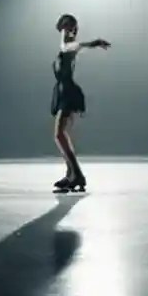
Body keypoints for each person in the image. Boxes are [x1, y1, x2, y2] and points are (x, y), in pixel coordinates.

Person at [51, 14, 110, 192]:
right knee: (62, 135)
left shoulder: (70, 47)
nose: (67, 31)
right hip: (63, 91)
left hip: (68, 92)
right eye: (65, 27)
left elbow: (71, 46)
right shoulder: (67, 49)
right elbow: (68, 46)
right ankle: (71, 174)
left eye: (69, 28)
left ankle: (77, 174)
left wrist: (93, 43)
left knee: (59, 134)